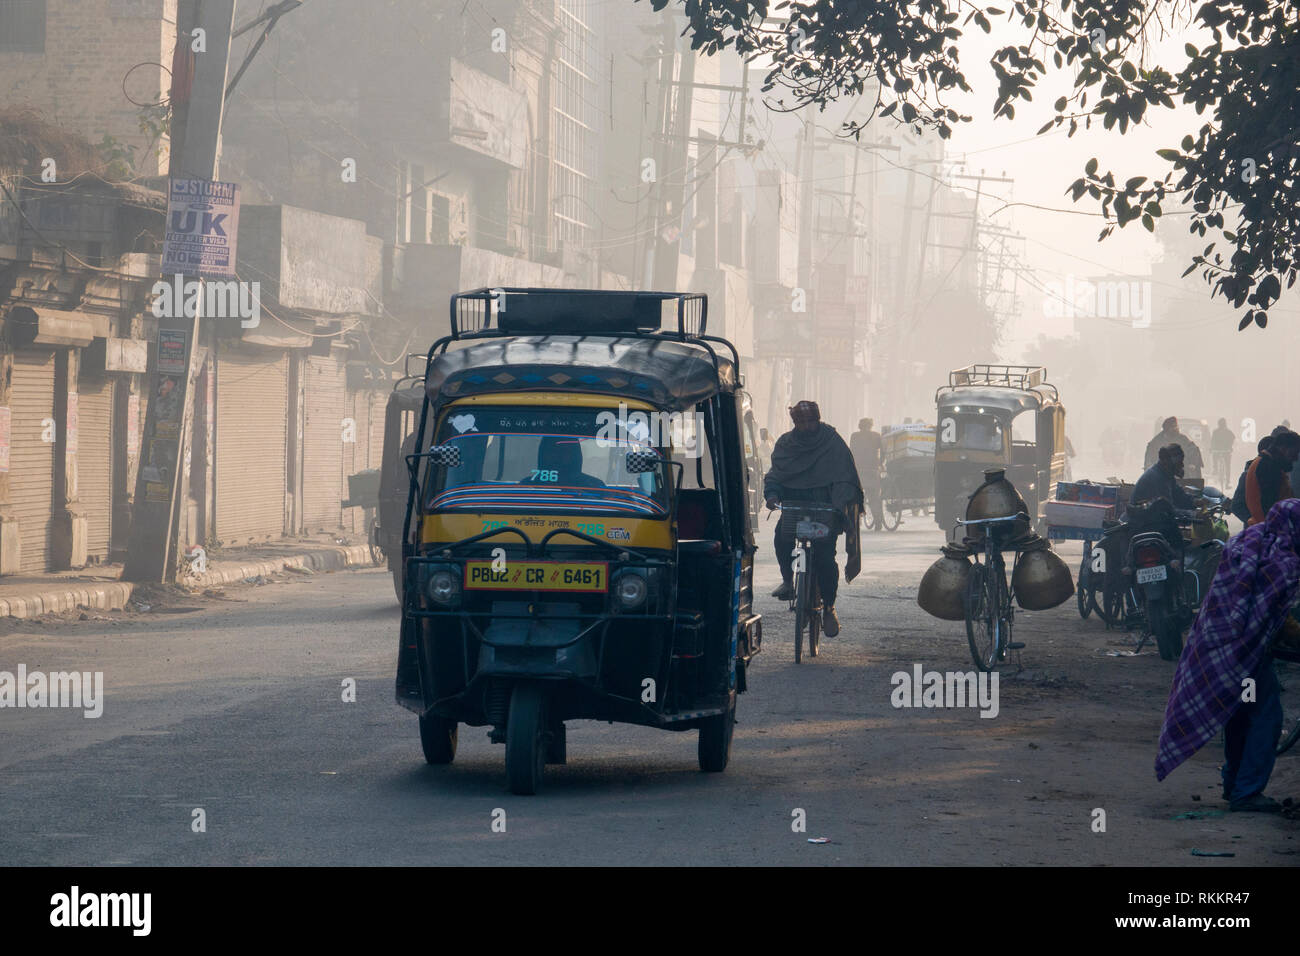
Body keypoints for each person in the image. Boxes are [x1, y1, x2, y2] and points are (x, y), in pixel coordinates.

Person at [1156, 498, 1300, 812]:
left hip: (1212, 636)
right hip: (1242, 649)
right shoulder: (1285, 562)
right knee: (1267, 716)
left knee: (1238, 711)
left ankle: (1235, 784)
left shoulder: (1250, 539)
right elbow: (1268, 615)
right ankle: (1247, 792)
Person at [764, 401, 863, 638]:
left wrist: (840, 504)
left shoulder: (832, 442)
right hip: (794, 508)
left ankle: (829, 607)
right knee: (782, 539)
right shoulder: (786, 444)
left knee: (825, 560)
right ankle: (788, 581)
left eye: (811, 421)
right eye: (801, 422)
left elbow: (845, 476)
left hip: (825, 510)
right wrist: (772, 495)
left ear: (818, 420)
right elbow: (775, 475)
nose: (807, 426)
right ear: (795, 423)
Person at [1244, 428, 1300, 526]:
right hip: (1269, 527)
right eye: (1293, 454)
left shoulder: (1268, 463)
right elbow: (1269, 505)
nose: (1295, 459)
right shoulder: (1267, 466)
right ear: (1283, 448)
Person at [1131, 443, 1196, 513]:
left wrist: (1195, 501)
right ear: (1167, 462)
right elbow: (1167, 512)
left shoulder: (1167, 475)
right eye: (1179, 462)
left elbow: (1179, 496)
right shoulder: (1157, 478)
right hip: (1141, 522)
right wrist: (1192, 514)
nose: (1182, 465)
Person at [522, 436, 605, 488]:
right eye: (552, 450)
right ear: (543, 454)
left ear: (574, 454)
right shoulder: (527, 485)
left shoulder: (594, 486)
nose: (558, 455)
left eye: (564, 451)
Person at [849, 417, 885, 530]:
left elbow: (851, 452)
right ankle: (878, 522)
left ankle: (857, 520)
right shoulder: (876, 436)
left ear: (860, 426)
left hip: (859, 470)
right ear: (871, 425)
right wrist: (880, 462)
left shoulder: (854, 436)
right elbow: (883, 451)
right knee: (874, 497)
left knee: (857, 496)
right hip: (872, 470)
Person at [1210, 417, 1235, 488]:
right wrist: (1230, 447)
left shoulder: (1215, 432)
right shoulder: (1228, 432)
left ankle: (1215, 469)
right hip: (1226, 451)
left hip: (1218, 450)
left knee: (1215, 457)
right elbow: (1233, 439)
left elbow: (1212, 441)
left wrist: (1211, 448)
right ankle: (1227, 482)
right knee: (1227, 466)